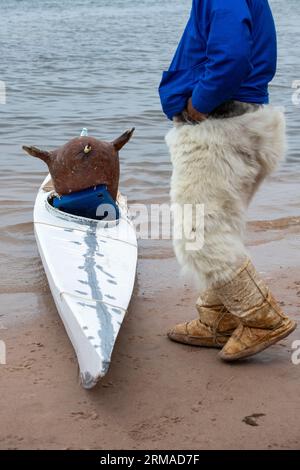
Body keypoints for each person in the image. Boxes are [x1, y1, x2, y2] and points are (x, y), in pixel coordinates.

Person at [159, 0, 297, 361]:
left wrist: (200, 102)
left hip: (218, 129)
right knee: (220, 228)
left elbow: (231, 56)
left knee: (200, 235)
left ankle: (262, 319)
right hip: (242, 122)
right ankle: (215, 320)